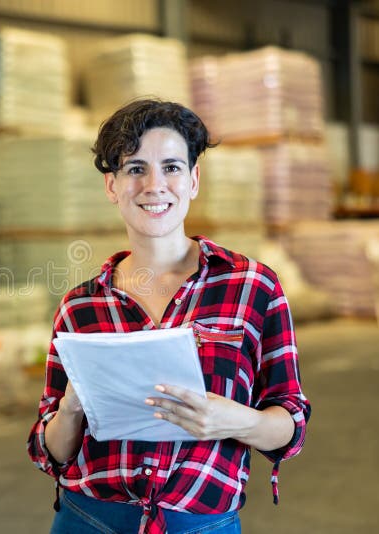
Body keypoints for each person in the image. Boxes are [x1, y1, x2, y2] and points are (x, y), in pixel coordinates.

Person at [27, 98, 311, 534]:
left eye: (172, 167)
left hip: (201, 524)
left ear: (194, 180)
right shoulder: (80, 308)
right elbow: (52, 451)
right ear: (112, 186)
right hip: (88, 518)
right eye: (136, 168)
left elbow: (290, 425)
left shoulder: (253, 287)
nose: (154, 185)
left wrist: (237, 420)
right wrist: (70, 408)